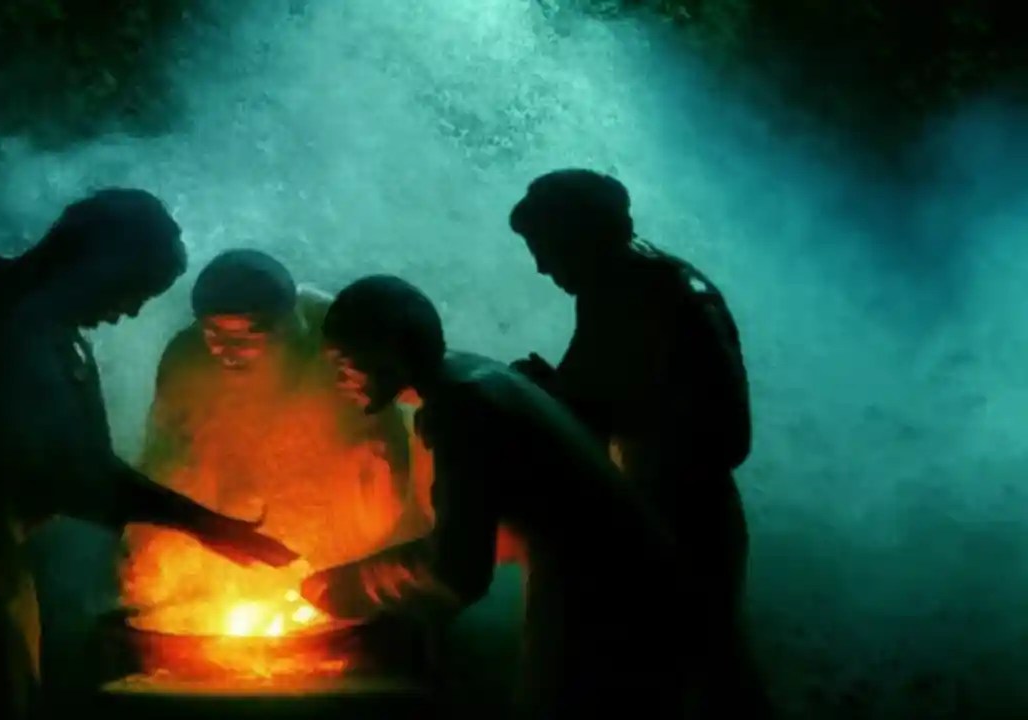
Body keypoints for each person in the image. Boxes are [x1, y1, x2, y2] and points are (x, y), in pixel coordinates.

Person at [0, 189, 297, 720]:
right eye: (134, 290)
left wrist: (205, 525)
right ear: (102, 260)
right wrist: (208, 526)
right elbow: (78, 475)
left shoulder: (44, 332)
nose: (128, 311)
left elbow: (87, 468)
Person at [298, 275, 690, 719]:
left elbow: (458, 569)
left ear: (391, 354)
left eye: (345, 362)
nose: (338, 378)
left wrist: (354, 584)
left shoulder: (461, 410)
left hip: (614, 598)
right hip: (625, 576)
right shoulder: (470, 379)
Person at [508, 168, 767, 717]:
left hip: (680, 516)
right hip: (677, 507)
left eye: (547, 248)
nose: (541, 266)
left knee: (693, 678)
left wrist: (549, 396)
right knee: (707, 672)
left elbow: (693, 426)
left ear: (583, 233)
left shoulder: (634, 290)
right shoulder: (637, 279)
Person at [121, 251, 431, 630]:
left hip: (337, 523)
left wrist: (370, 565)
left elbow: (384, 448)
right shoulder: (186, 357)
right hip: (243, 524)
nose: (227, 351)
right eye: (214, 334)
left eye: (247, 335)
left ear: (286, 326)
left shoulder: (335, 336)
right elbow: (165, 453)